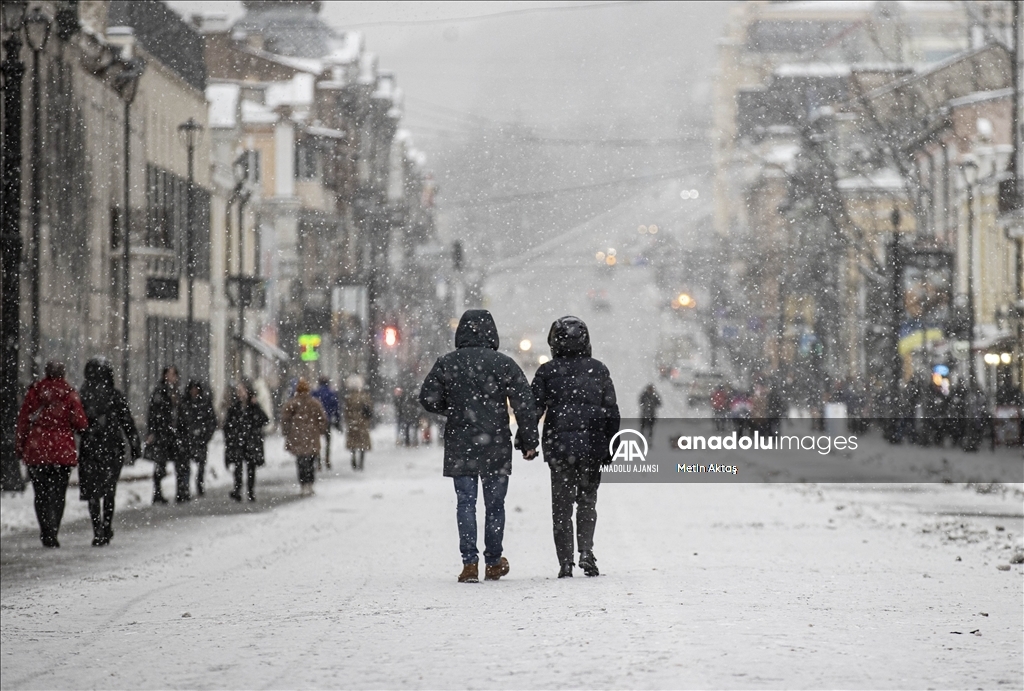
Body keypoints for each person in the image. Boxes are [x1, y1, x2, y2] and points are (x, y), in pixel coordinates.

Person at [420, 309, 539, 583]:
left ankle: (469, 563)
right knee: (495, 505)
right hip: (495, 442)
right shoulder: (504, 364)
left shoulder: (447, 363)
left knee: (466, 503)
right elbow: (524, 403)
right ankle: (494, 561)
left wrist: (451, 408)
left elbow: (427, 397)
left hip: (461, 442)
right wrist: (529, 441)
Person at [532, 316, 619, 578]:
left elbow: (533, 410)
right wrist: (611, 447)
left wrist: (526, 439)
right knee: (587, 502)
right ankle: (586, 551)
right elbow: (612, 413)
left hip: (560, 450)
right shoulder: (599, 370)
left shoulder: (546, 372)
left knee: (561, 507)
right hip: (592, 449)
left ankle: (565, 561)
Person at [15, 361, 89, 548]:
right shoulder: (69, 394)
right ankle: (53, 529)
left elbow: (23, 421)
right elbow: (80, 422)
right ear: (63, 373)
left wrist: (20, 446)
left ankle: (45, 529)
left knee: (40, 494)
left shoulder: (35, 392)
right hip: (61, 451)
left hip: (37, 448)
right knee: (58, 493)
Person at [78, 358, 141, 546]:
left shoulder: (83, 395)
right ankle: (106, 526)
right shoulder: (115, 395)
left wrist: (89, 430)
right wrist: (134, 443)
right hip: (112, 448)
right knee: (109, 490)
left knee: (93, 491)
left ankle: (97, 528)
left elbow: (77, 423)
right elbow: (127, 422)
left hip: (90, 448)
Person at [223, 379, 269, 501]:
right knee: (238, 466)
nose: (240, 393)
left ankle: (250, 491)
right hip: (238, 441)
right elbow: (227, 425)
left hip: (251, 441)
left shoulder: (254, 406)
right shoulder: (234, 407)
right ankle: (237, 489)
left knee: (251, 467)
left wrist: (255, 406)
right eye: (238, 391)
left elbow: (264, 419)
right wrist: (231, 436)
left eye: (242, 390)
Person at [281, 377, 328, 496]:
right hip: (312, 437)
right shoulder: (315, 403)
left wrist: (286, 431)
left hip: (297, 437)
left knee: (301, 462)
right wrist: (321, 430)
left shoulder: (292, 403)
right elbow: (322, 418)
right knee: (311, 462)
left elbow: (285, 419)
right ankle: (310, 484)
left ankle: (303, 485)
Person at [146, 365, 182, 504]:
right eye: (169, 374)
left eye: (173, 374)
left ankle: (180, 491)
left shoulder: (176, 391)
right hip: (162, 433)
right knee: (160, 464)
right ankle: (157, 493)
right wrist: (152, 431)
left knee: (178, 463)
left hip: (173, 433)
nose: (171, 377)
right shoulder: (160, 392)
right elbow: (154, 413)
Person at [179, 379, 217, 498]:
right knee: (185, 465)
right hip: (188, 439)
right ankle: (185, 488)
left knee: (201, 464)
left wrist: (206, 435)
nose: (194, 391)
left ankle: (199, 484)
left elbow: (212, 421)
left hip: (200, 439)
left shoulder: (204, 403)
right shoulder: (185, 403)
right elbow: (180, 421)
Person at [344, 375, 373, 470]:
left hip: (353, 422)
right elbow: (369, 409)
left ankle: (353, 458)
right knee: (363, 443)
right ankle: (361, 461)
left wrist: (349, 419)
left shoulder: (349, 397)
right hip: (362, 422)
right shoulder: (364, 396)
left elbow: (346, 411)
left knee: (353, 442)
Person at [311, 376, 341, 469]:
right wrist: (337, 419)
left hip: (317, 421)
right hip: (327, 420)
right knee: (327, 440)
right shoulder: (331, 393)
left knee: (317, 440)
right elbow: (336, 407)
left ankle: (318, 460)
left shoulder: (315, 393)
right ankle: (327, 459)